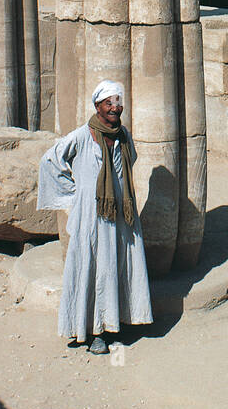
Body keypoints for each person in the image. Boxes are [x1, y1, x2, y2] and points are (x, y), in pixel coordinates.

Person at [37, 81, 153, 355]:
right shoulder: (80, 136)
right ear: (97, 106)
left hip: (121, 217)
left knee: (115, 265)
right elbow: (50, 162)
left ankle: (114, 324)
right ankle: (94, 331)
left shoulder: (124, 136)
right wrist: (73, 198)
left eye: (118, 102)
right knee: (92, 268)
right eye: (108, 103)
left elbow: (129, 162)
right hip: (92, 217)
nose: (114, 108)